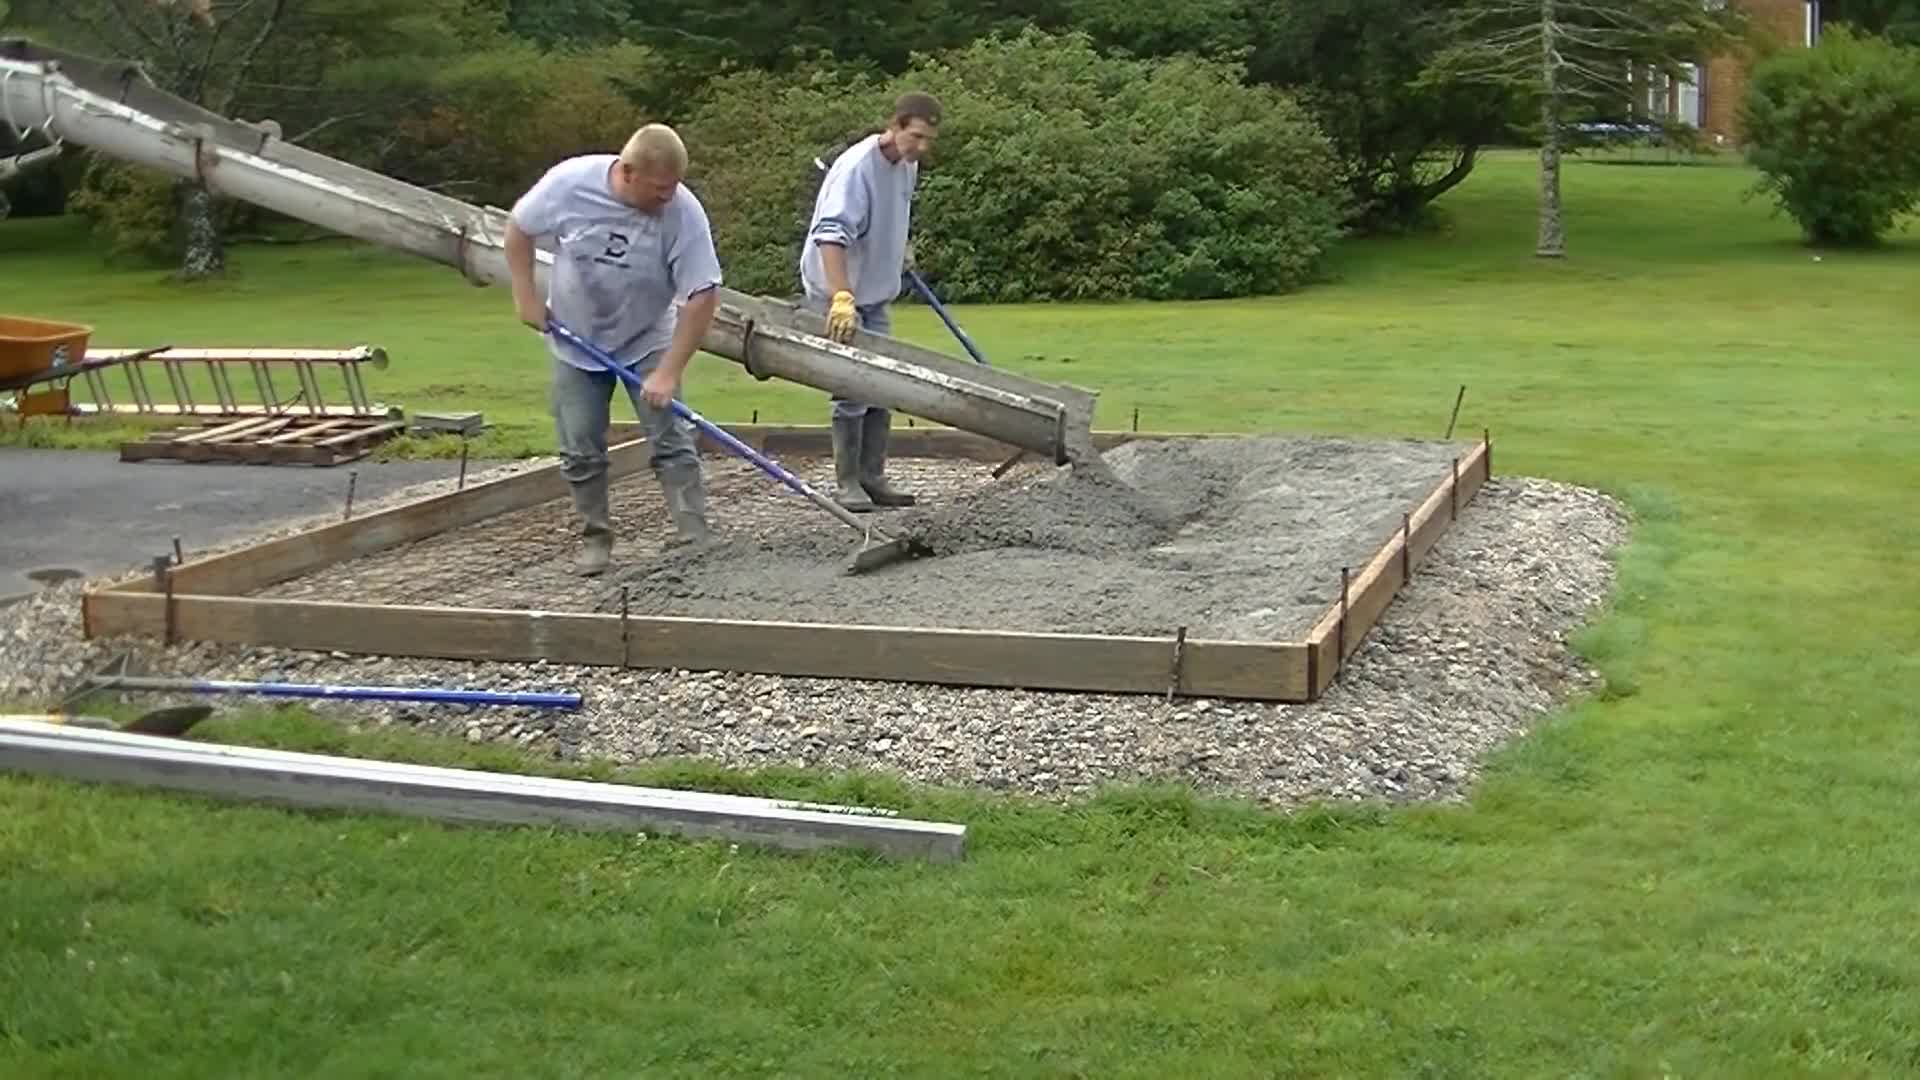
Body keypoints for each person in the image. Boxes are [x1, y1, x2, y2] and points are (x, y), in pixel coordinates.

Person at [504, 123, 724, 576]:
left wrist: (667, 371)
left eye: (674, 188)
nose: (669, 197)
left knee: (671, 437)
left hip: (647, 338)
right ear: (627, 172)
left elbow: (702, 295)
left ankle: (693, 533)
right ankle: (596, 539)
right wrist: (525, 296)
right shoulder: (570, 184)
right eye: (660, 189)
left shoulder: (683, 212)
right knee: (580, 445)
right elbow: (519, 229)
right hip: (575, 339)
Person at [799, 91, 942, 512]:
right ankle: (847, 482)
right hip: (839, 292)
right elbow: (831, 235)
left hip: (876, 293)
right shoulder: (857, 169)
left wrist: (900, 250)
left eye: (929, 139)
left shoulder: (907, 166)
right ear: (895, 125)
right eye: (915, 136)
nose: (921, 147)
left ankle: (873, 476)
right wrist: (841, 296)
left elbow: (890, 215)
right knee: (851, 386)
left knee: (881, 384)